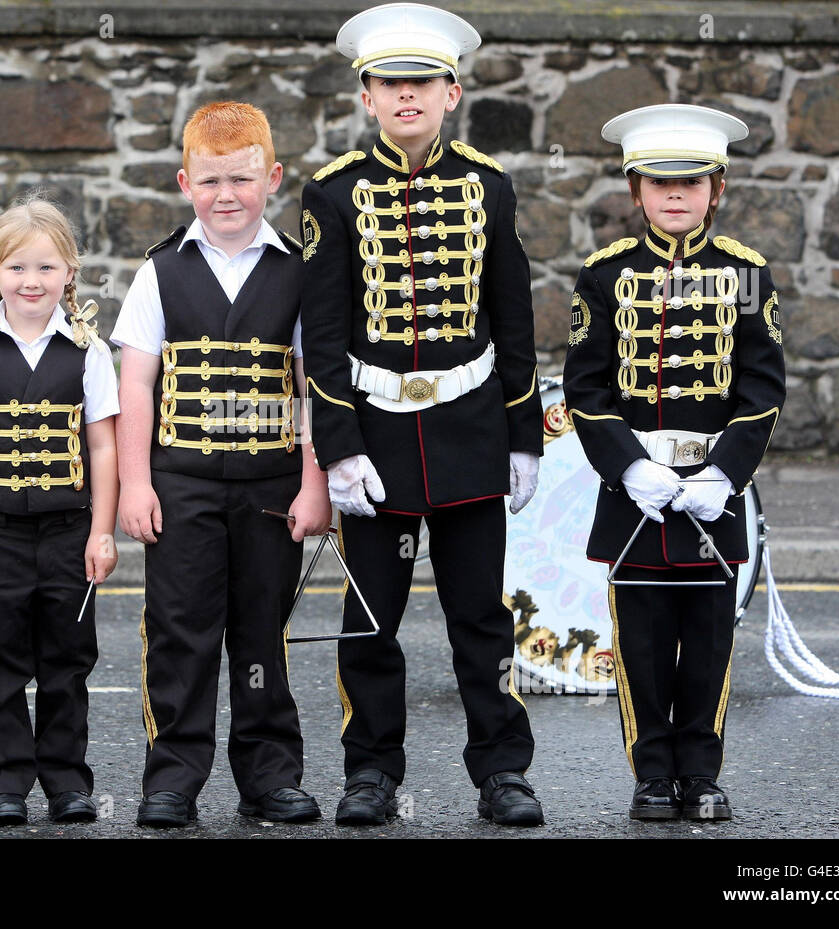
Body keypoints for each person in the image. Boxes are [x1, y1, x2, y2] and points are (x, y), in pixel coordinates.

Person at [299, 3, 546, 827]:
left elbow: (514, 317)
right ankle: (369, 771)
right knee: (371, 620)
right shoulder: (331, 193)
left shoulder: (490, 185)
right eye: (389, 85)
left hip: (472, 428)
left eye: (423, 84)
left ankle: (503, 771)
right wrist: (337, 447)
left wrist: (525, 439)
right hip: (375, 435)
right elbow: (324, 331)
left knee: (480, 614)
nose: (407, 97)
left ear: (452, 92)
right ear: (367, 97)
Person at [563, 104, 786, 821]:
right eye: (659, 183)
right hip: (637, 495)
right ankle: (651, 773)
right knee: (644, 646)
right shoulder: (604, 275)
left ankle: (702, 772)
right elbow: (586, 387)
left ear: (716, 188)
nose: (676, 195)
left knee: (710, 643)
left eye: (692, 182)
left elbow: (762, 385)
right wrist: (629, 467)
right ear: (635, 192)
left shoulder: (746, 273)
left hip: (712, 496)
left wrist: (724, 474)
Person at [112, 101, 332, 828]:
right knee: (180, 628)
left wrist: (313, 481)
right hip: (181, 482)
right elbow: (136, 382)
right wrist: (136, 481)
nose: (226, 195)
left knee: (261, 628)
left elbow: (310, 386)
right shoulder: (160, 271)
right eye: (209, 182)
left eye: (241, 179)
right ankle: (172, 775)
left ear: (271, 177)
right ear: (184, 182)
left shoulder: (297, 271)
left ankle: (270, 774)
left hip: (272, 485)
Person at [0, 195, 119, 826]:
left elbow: (104, 444)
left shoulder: (88, 351)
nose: (30, 282)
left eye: (44, 268)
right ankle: (4, 783)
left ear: (70, 271)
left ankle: (68, 782)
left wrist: (102, 532)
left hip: (69, 532)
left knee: (67, 662)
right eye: (16, 269)